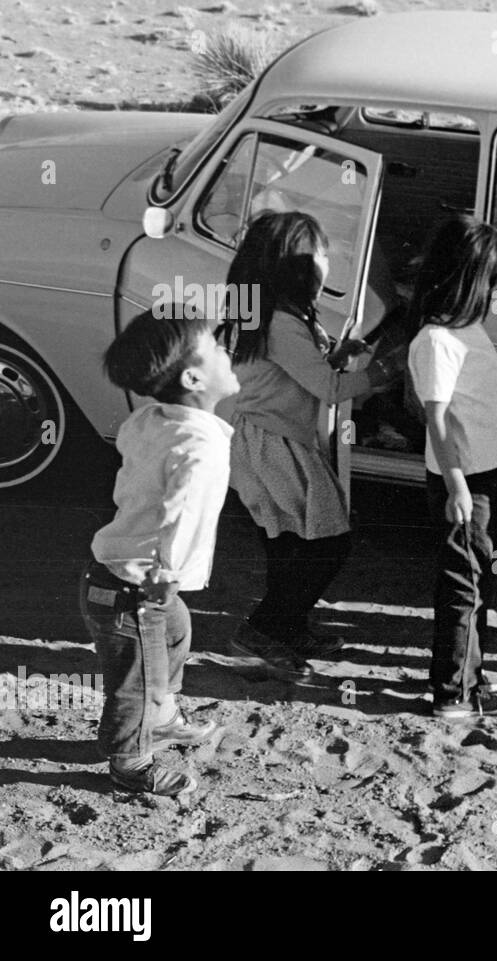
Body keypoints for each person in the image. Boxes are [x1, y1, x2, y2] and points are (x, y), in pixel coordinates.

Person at [222, 210, 405, 682]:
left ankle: (287, 628)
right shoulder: (283, 322)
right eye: (321, 254)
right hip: (274, 444)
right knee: (330, 541)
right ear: (297, 266)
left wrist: (337, 357)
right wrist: (387, 370)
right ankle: (260, 632)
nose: (328, 262)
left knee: (288, 546)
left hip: (274, 440)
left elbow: (308, 370)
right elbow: (331, 388)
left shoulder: (276, 313)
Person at [82, 308, 240, 795]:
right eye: (216, 346)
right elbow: (182, 514)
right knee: (135, 678)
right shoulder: (198, 446)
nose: (227, 350)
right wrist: (167, 573)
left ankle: (165, 715)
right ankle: (130, 762)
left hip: (114, 576)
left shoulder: (149, 419)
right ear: (193, 377)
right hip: (136, 586)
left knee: (176, 631)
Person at [407, 215, 497, 719]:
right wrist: (455, 483)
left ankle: (468, 668)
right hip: (466, 478)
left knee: (475, 576)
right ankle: (453, 691)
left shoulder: (464, 328)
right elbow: (435, 418)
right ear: (470, 282)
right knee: (464, 582)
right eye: (494, 286)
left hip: (485, 471)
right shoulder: (437, 339)